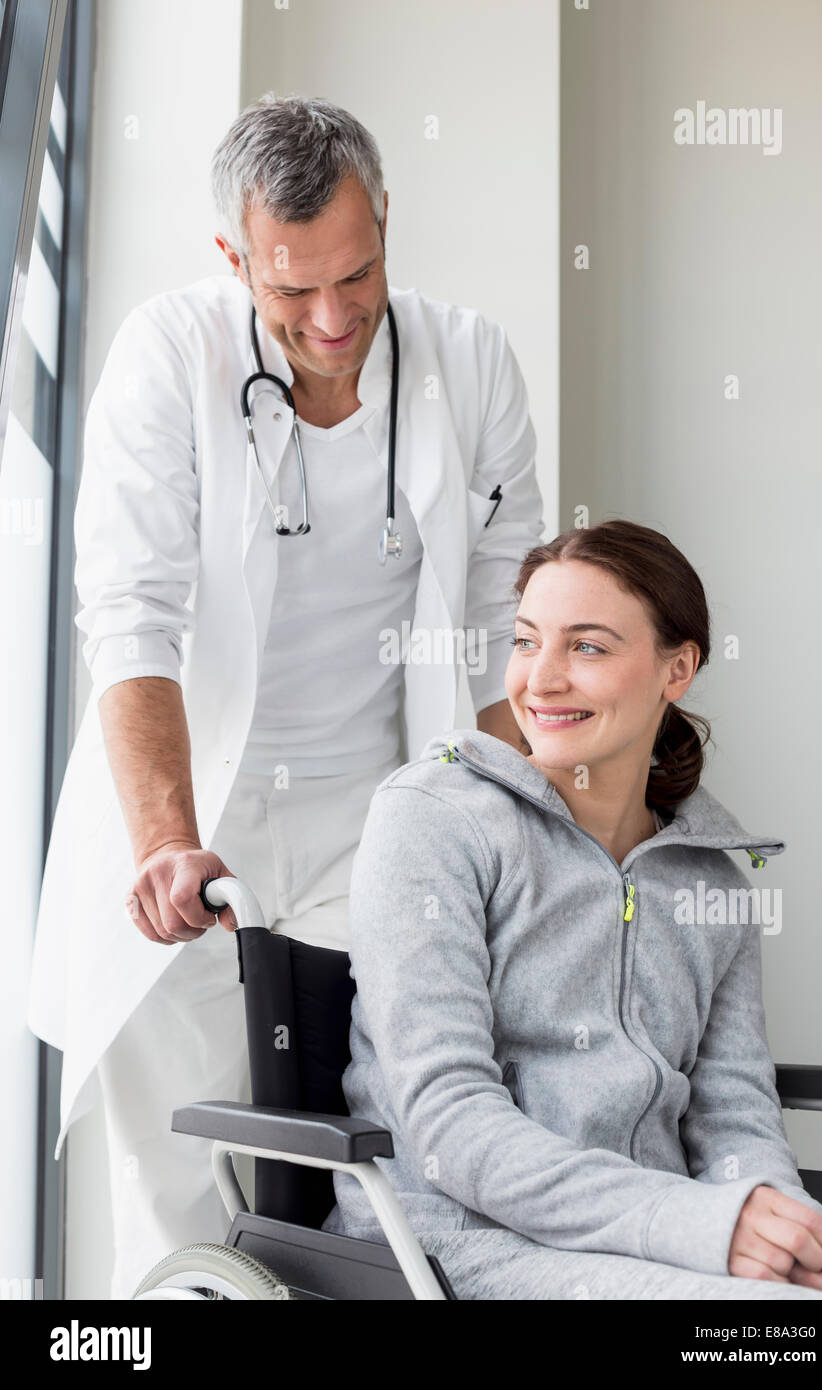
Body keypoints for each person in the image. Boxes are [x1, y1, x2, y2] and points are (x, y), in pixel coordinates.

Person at [26, 93, 544, 1298]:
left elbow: (505, 629)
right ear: (232, 259)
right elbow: (130, 615)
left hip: (382, 812)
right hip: (190, 812)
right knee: (174, 1162)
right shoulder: (169, 356)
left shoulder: (467, 361)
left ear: (384, 230)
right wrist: (164, 839)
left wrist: (518, 827)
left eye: (355, 276)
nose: (330, 318)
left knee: (384, 1148)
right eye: (290, 289)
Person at [322, 519, 822, 1300]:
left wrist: (781, 1230)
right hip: (453, 1245)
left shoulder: (711, 880)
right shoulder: (432, 820)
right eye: (525, 640)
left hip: (660, 1251)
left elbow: (736, 1116)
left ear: (676, 669)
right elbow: (449, 1122)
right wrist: (698, 1225)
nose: (539, 680)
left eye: (587, 647)